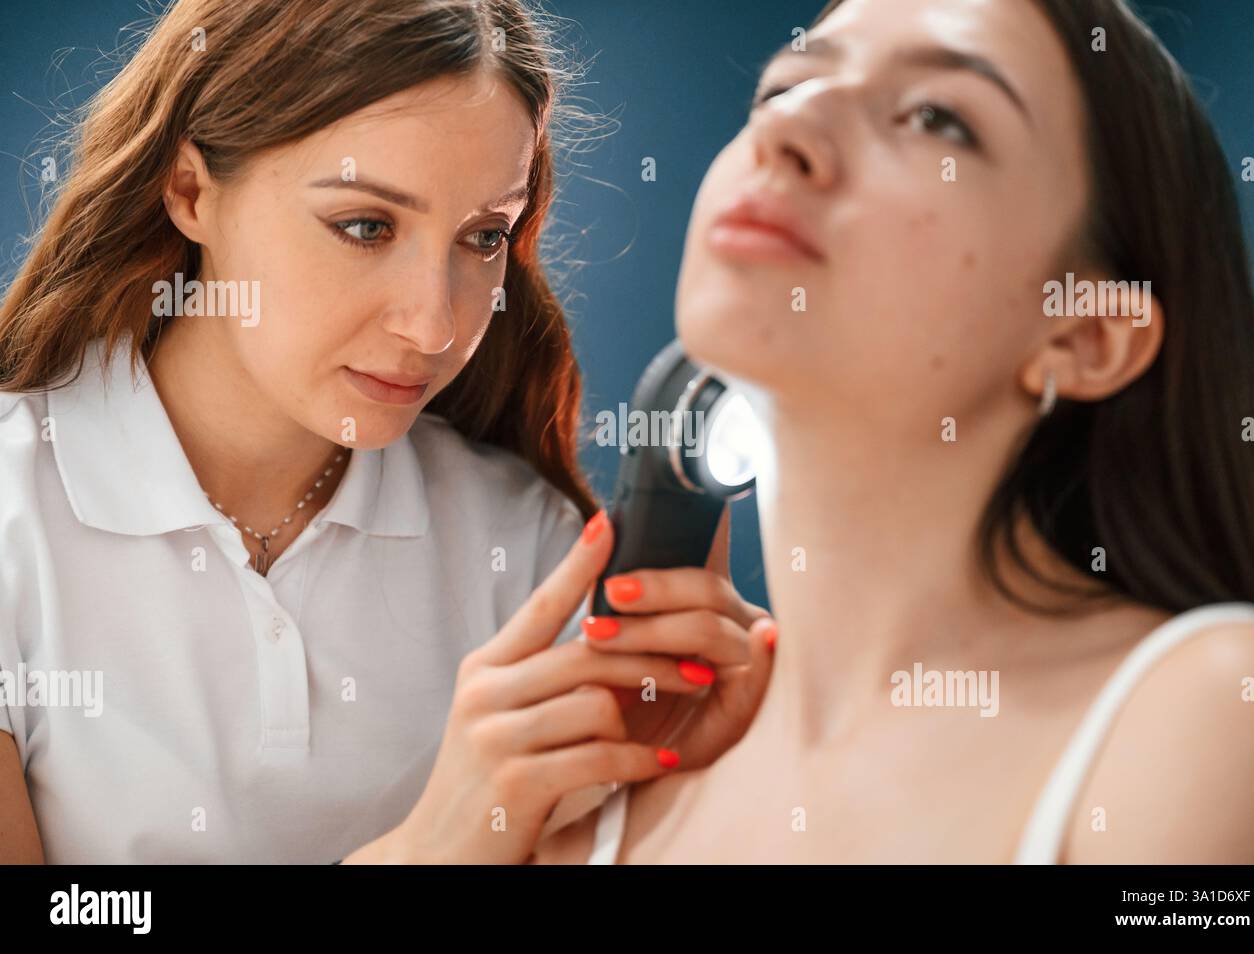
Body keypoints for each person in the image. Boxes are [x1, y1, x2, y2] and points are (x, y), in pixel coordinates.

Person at [0, 0, 776, 864]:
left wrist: (695, 791)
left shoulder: (524, 548)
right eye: (365, 227)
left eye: (484, 236)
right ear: (190, 191)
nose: (434, 326)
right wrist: (428, 849)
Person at [531, 0, 1254, 864]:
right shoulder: (590, 792)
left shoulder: (1216, 714)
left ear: (1085, 335)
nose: (788, 128)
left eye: (938, 118)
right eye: (785, 85)